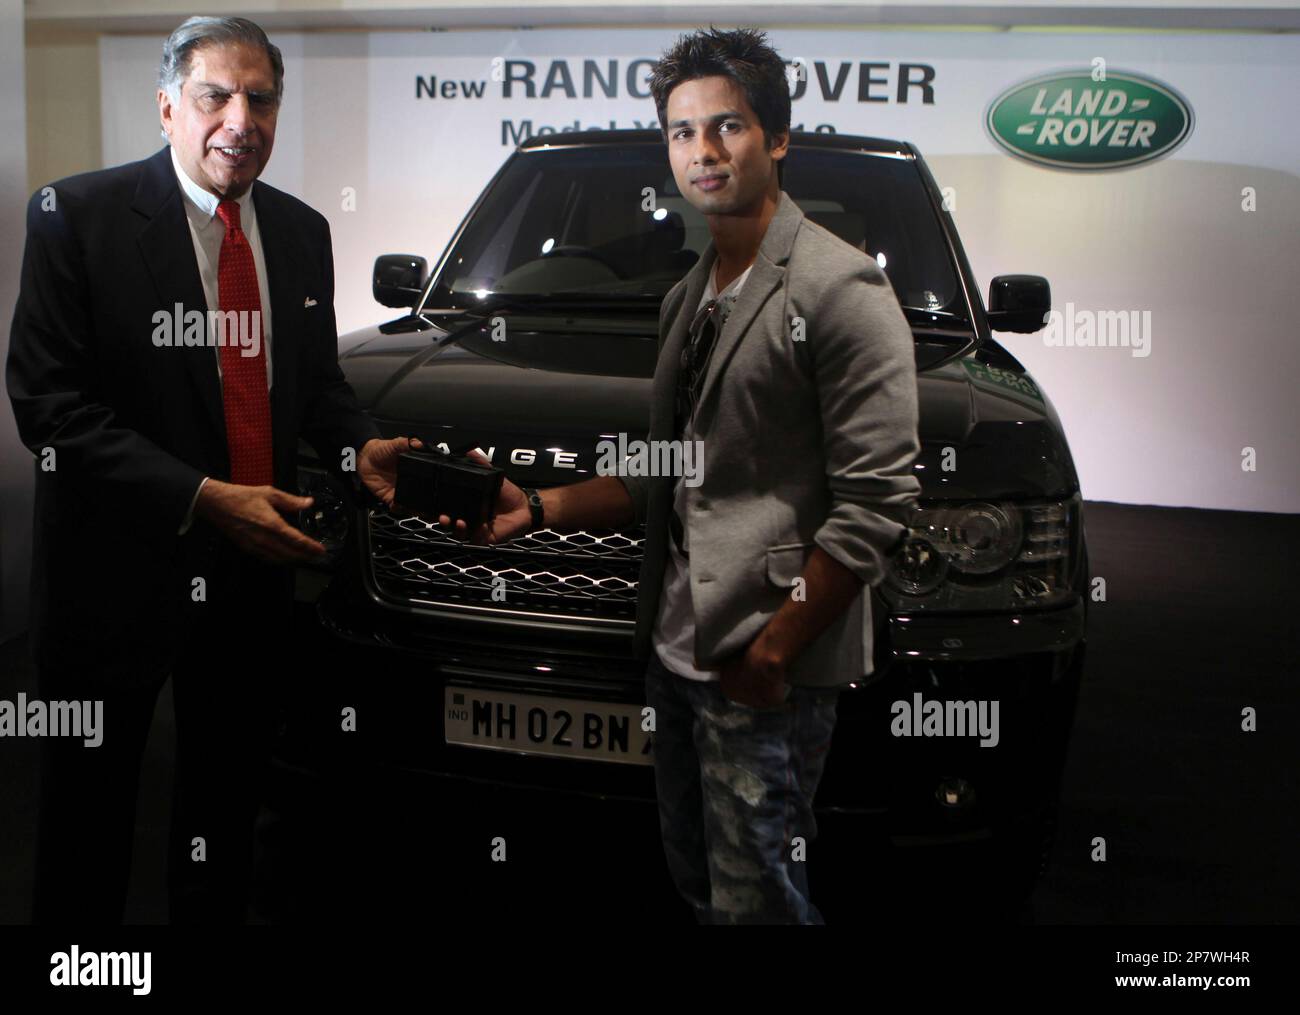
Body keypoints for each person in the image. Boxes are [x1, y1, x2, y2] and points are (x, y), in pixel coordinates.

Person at [469, 27, 922, 923]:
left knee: (759, 897)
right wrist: (539, 505)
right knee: (696, 879)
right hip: (674, 652)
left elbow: (878, 503)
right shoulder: (692, 293)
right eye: (681, 133)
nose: (703, 152)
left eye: (728, 127)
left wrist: (776, 647)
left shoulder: (840, 289)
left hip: (761, 662)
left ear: (777, 138)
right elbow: (669, 466)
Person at [6, 16, 431, 923]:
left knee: (223, 819)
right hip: (110, 581)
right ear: (167, 108)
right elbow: (50, 410)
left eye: (262, 98)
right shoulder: (75, 219)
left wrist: (360, 448)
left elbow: (314, 386)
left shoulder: (302, 232)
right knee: (87, 831)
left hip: (252, 578)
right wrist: (203, 498)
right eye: (215, 96)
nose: (241, 119)